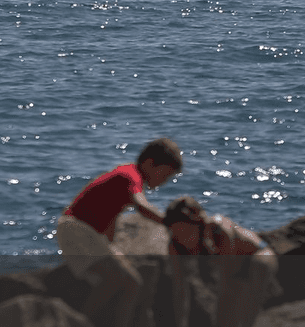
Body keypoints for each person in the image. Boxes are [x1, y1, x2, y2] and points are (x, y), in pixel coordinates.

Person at [56, 138, 182, 327]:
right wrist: (170, 223)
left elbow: (110, 217)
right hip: (77, 230)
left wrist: (112, 247)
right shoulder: (130, 176)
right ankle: (79, 322)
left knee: (133, 283)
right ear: (149, 164)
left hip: (85, 232)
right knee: (118, 279)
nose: (164, 182)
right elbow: (142, 206)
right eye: (164, 175)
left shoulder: (126, 176)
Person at [163, 196, 279, 327]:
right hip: (231, 268)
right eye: (177, 233)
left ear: (199, 224)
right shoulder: (175, 245)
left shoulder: (219, 229)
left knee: (239, 302)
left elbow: (227, 282)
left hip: (258, 256)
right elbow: (179, 289)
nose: (184, 239)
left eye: (187, 232)